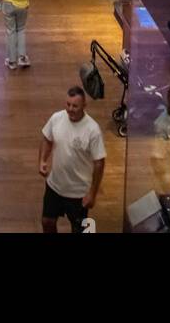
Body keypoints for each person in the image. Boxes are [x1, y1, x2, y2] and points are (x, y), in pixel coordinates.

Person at [39, 86, 106, 234]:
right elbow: (47, 139)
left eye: (75, 106)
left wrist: (92, 194)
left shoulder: (92, 130)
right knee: (47, 222)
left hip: (78, 193)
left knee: (81, 229)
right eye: (68, 104)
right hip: (54, 186)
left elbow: (99, 163)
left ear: (84, 106)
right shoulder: (56, 118)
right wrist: (42, 160)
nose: (70, 109)